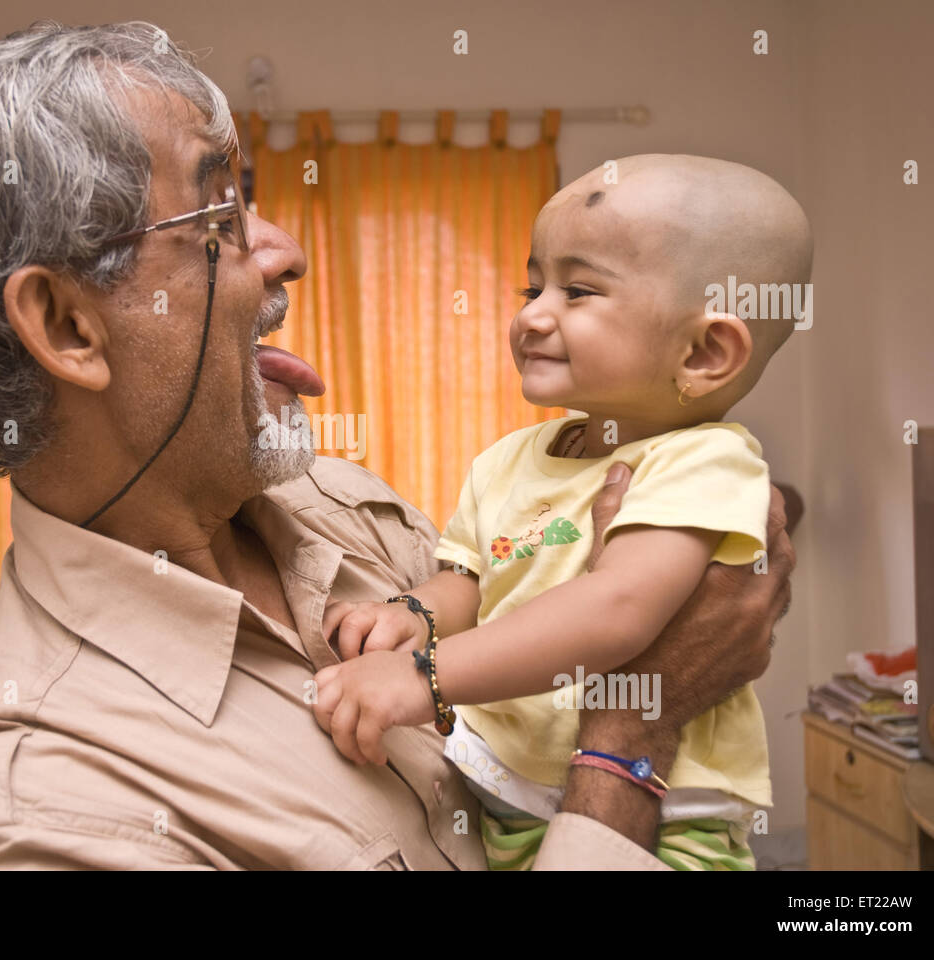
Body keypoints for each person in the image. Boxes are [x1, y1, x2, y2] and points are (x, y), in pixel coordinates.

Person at [0, 21, 794, 869]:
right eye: (221, 215)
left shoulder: (345, 504)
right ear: (69, 328)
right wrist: (632, 734)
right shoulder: (31, 810)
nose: (286, 249)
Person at [313, 155, 811, 870]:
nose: (531, 314)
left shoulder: (706, 462)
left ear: (705, 350)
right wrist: (415, 613)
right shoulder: (509, 459)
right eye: (533, 284)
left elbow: (619, 609)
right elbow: (472, 580)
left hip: (664, 819)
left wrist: (423, 674)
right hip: (511, 793)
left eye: (578, 290)